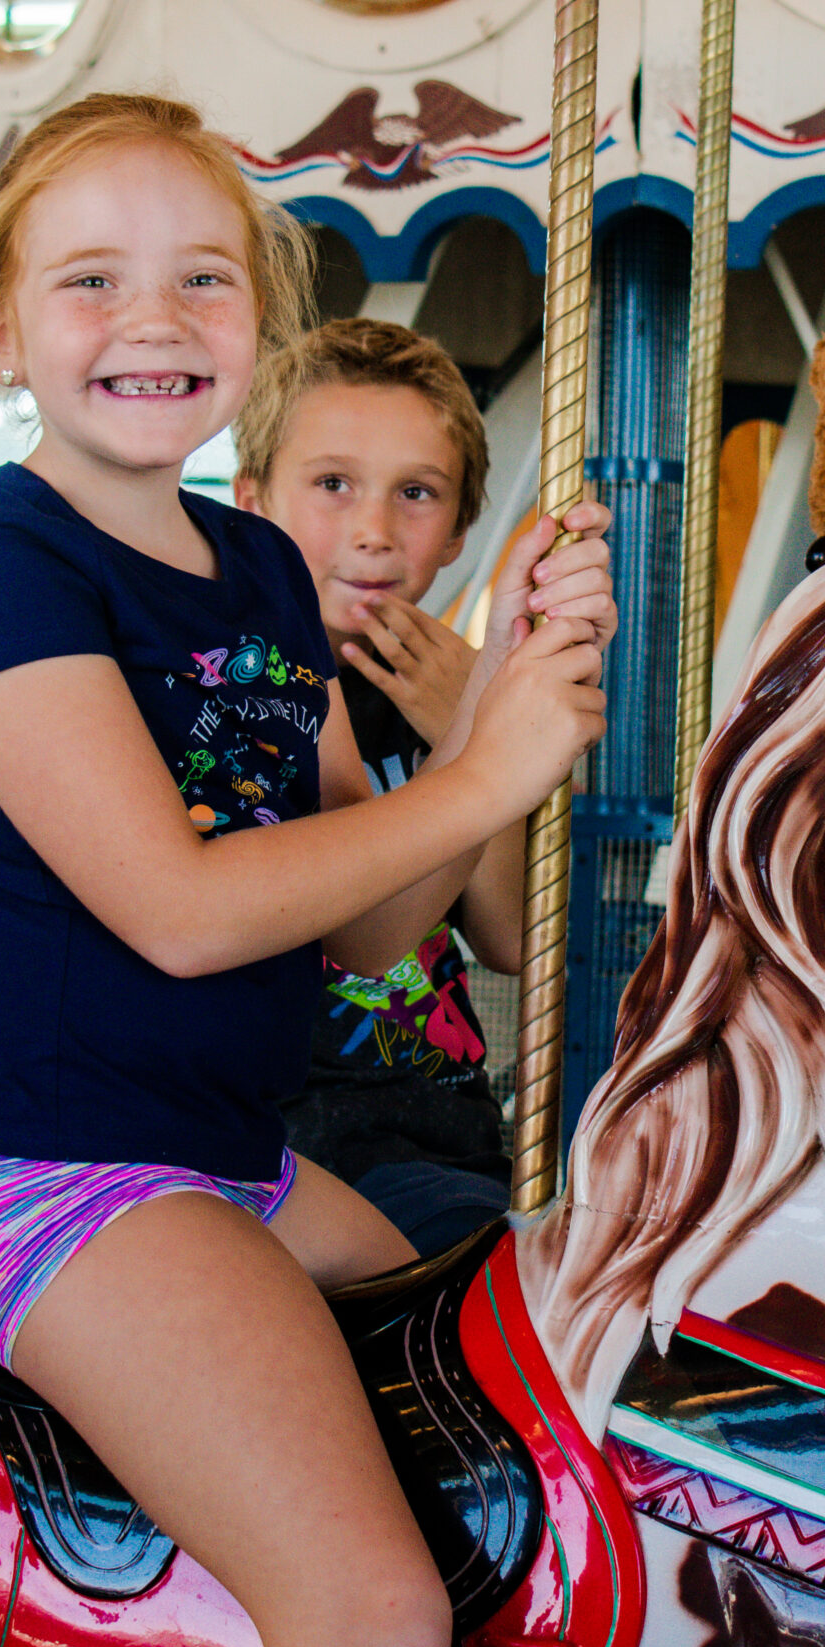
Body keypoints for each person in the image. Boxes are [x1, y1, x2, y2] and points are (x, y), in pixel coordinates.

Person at [0, 92, 614, 1647]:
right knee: (371, 1615)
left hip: (226, 1159)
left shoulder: (261, 575)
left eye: (203, 274)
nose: (153, 313)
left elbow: (361, 925)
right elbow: (181, 908)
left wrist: (504, 713)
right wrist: (489, 765)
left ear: (256, 322)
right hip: (51, 1171)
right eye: (91, 277)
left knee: (529, 1412)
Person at [233, 318, 552, 1256]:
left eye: (415, 494)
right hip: (298, 1127)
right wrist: (474, 743)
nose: (372, 533)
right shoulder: (233, 688)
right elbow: (349, 938)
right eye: (332, 485)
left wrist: (477, 715)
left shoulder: (444, 679)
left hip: (442, 1116)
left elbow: (509, 939)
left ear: (457, 532)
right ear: (252, 502)